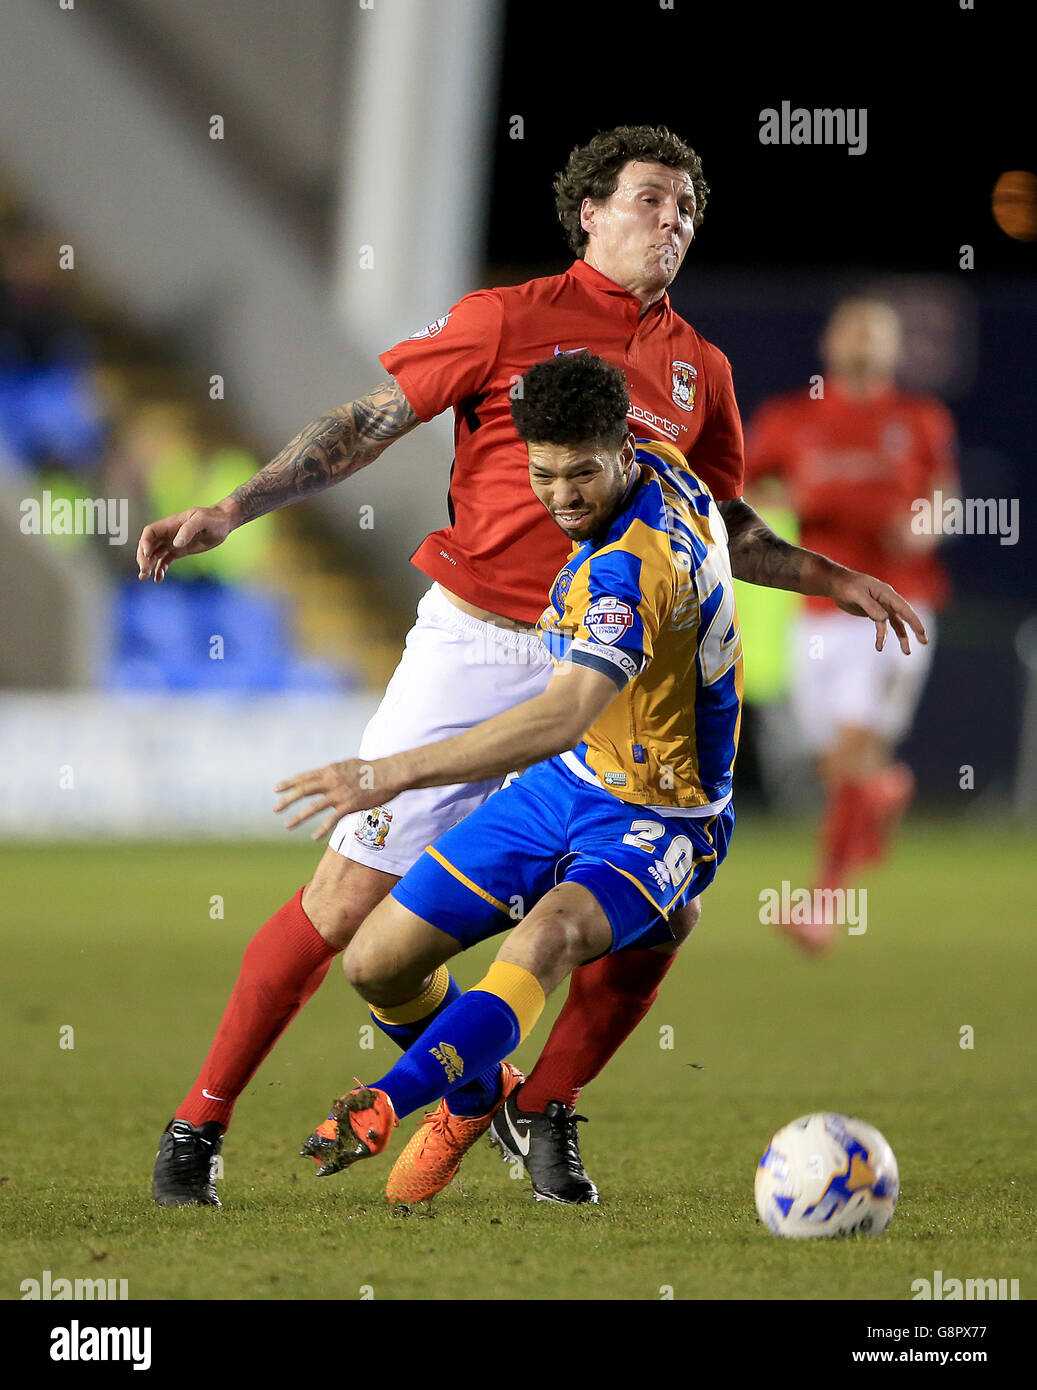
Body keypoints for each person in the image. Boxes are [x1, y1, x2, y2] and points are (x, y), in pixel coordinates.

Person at [141, 127, 923, 1209]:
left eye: (688, 205)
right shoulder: (505, 317)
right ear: (588, 210)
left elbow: (721, 518)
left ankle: (544, 1111)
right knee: (351, 911)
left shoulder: (704, 368)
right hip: (478, 644)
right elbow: (366, 424)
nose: (673, 219)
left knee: (655, 911)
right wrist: (234, 505)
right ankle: (203, 1123)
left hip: (620, 672)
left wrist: (831, 578)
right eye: (651, 198)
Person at [277, 352, 910, 1200]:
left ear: (620, 450)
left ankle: (386, 1106)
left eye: (581, 474)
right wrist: (829, 577)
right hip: (568, 784)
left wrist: (384, 773)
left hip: (661, 813)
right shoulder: (667, 466)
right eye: (544, 474)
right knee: (376, 963)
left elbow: (560, 712)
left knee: (547, 938)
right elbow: (737, 532)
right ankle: (474, 1097)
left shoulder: (627, 571)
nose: (562, 496)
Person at [744, 297, 957, 951]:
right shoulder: (790, 418)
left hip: (895, 608)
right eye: (853, 329)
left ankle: (822, 902)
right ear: (830, 343)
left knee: (850, 750)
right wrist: (789, 501)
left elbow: (944, 497)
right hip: (817, 610)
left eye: (876, 332)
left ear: (892, 349)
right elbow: (745, 492)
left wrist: (924, 527)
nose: (863, 342)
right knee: (831, 763)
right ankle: (883, 789)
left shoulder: (917, 418)